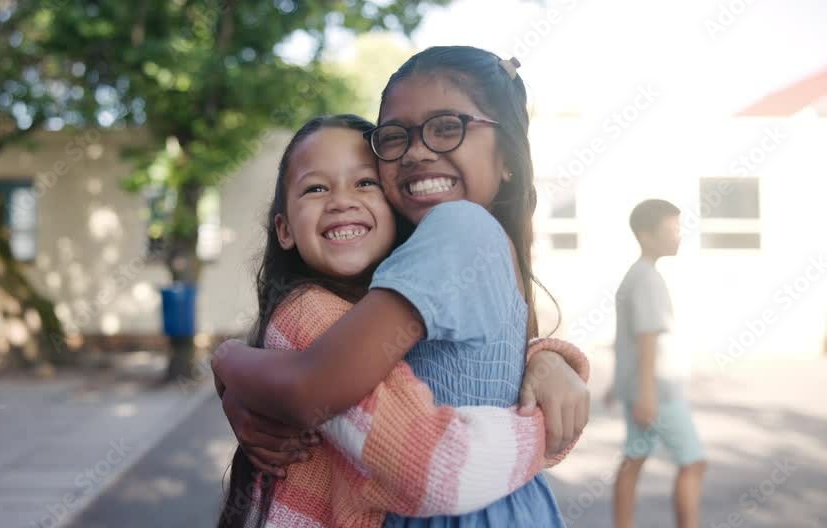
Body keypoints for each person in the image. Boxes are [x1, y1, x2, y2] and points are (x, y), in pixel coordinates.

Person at [213, 46, 590, 527]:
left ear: (508, 158)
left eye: (448, 127)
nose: (417, 152)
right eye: (395, 137)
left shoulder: (458, 226)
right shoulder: (434, 249)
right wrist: (549, 362)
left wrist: (228, 362)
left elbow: (312, 386)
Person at [609, 199, 706, 528]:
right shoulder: (648, 278)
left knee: (634, 458)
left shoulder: (635, 275)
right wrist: (648, 395)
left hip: (641, 388)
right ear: (646, 235)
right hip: (658, 392)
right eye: (672, 229)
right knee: (693, 461)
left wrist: (618, 384)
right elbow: (646, 338)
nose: (679, 235)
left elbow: (624, 339)